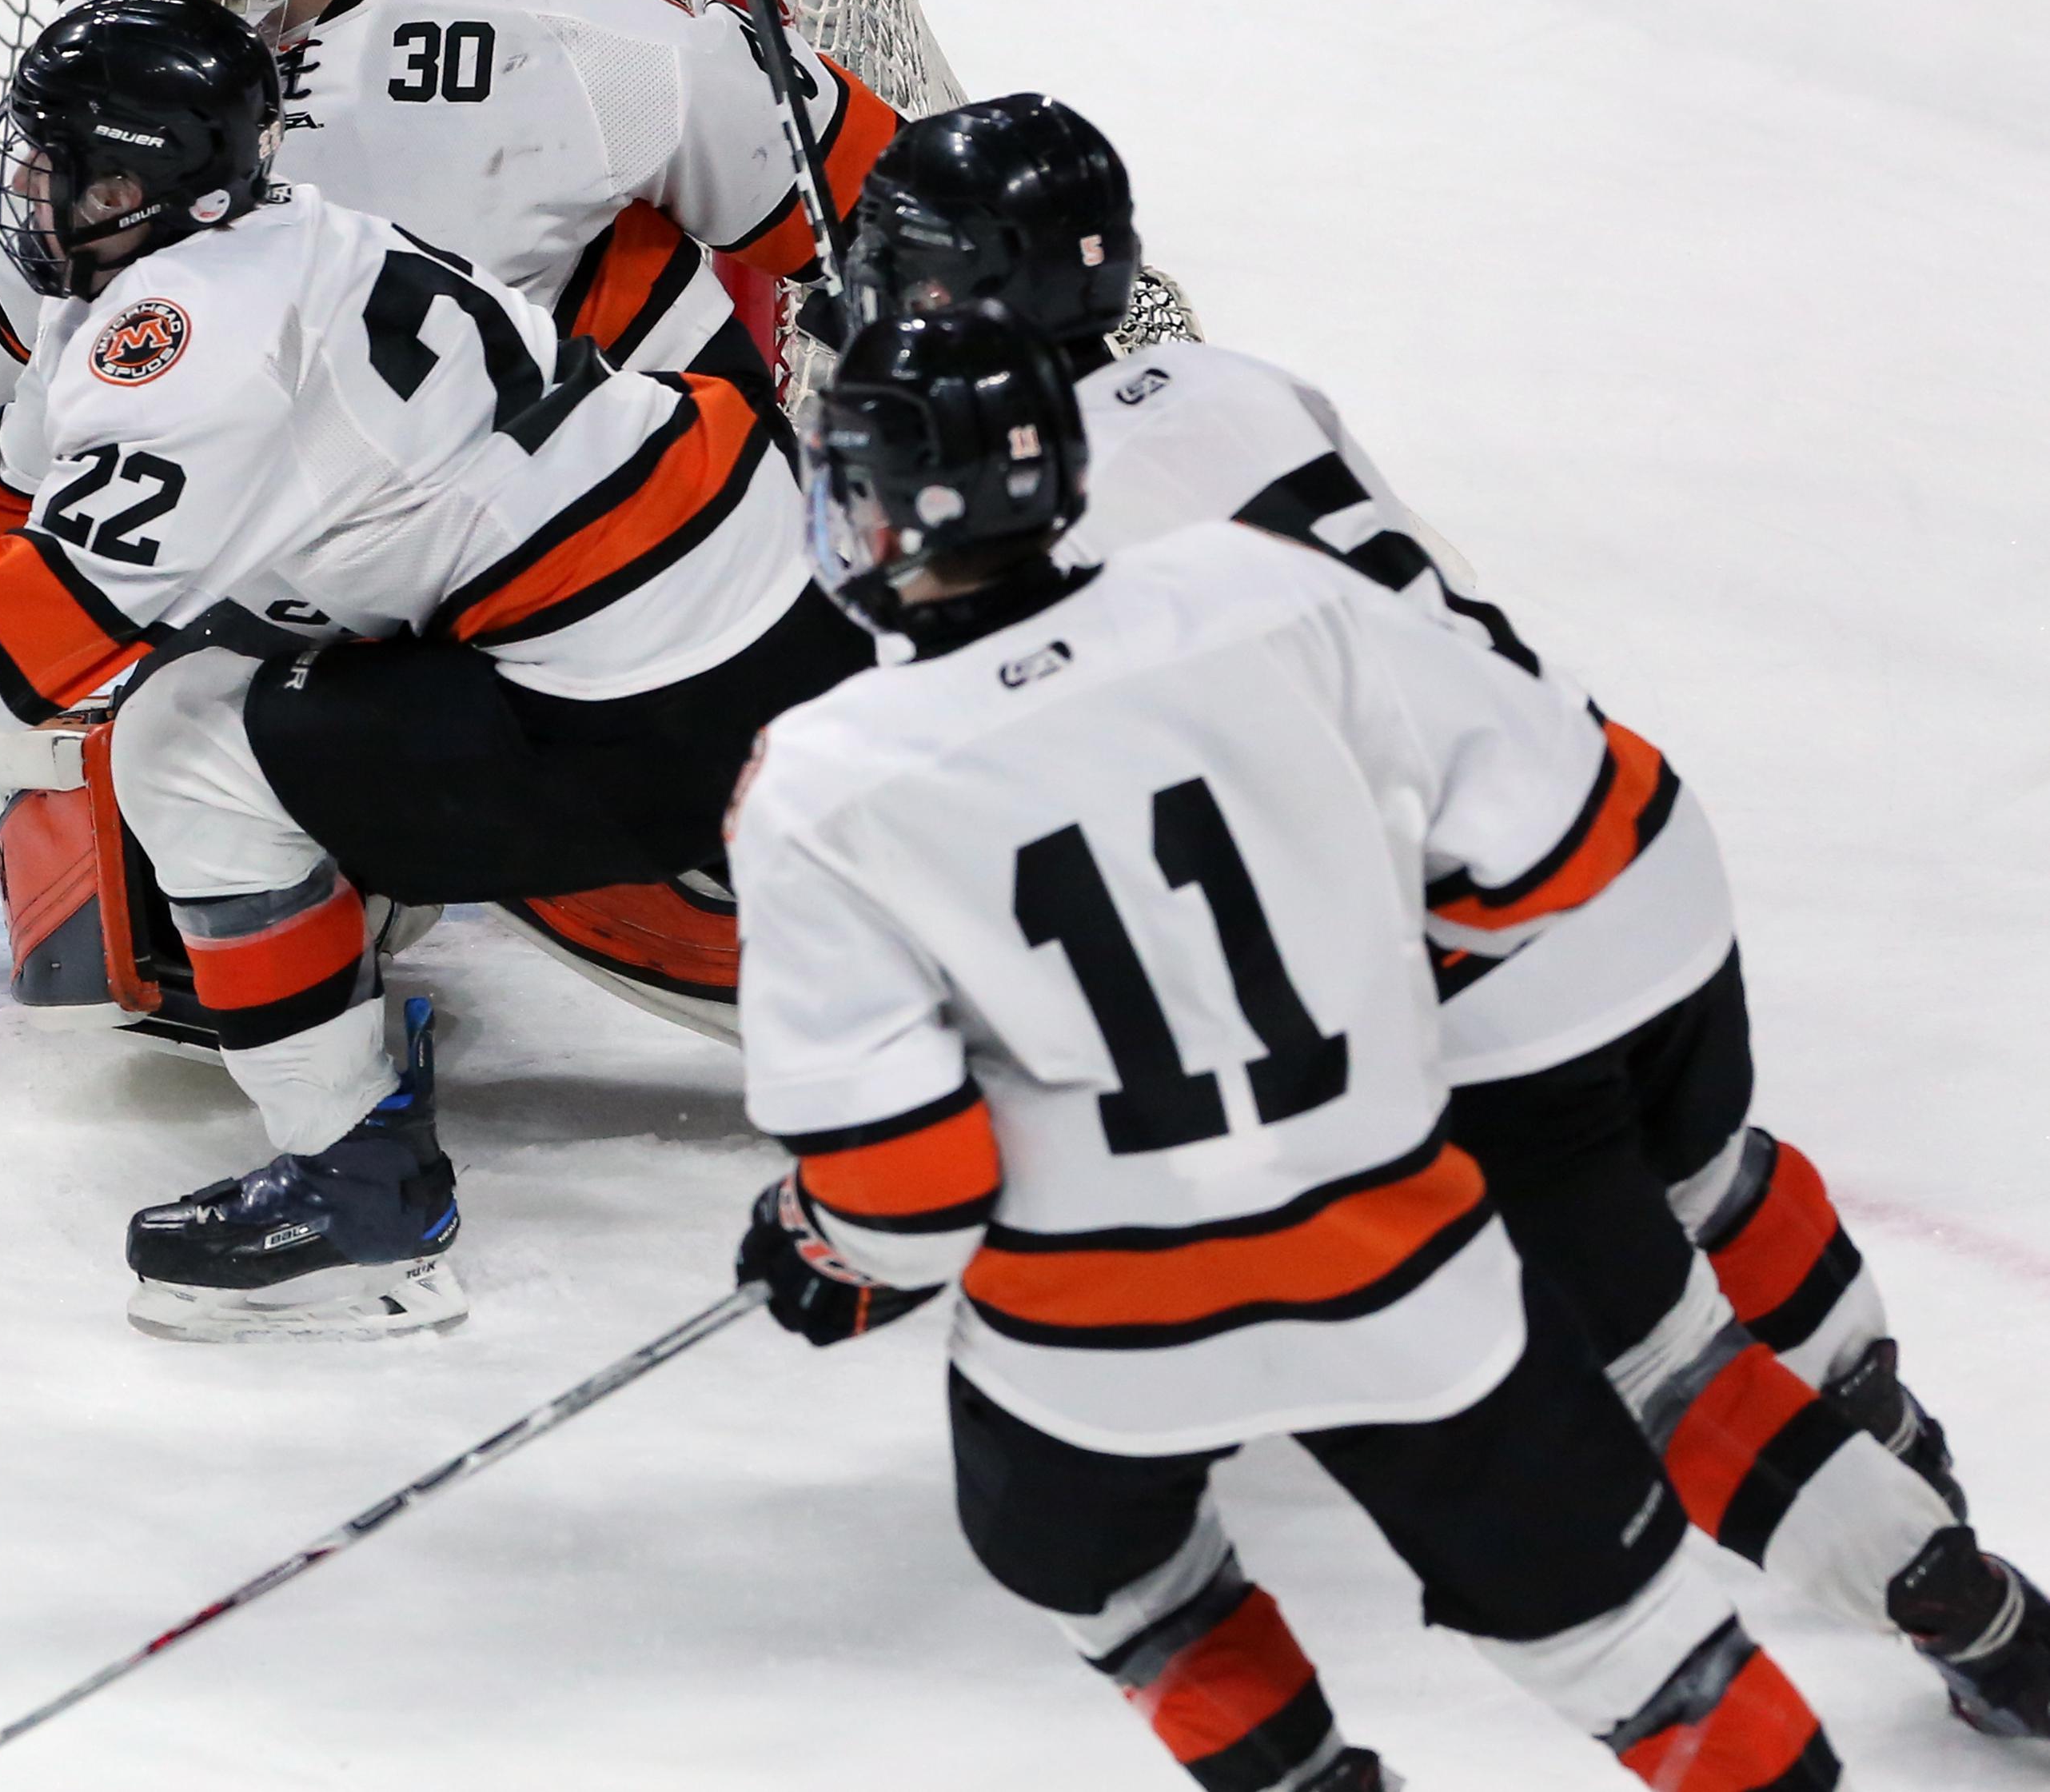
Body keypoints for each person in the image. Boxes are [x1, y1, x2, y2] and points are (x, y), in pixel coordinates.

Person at [831, 94, 2046, 1733]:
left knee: (1662, 1374)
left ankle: (1990, 1627)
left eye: (906, 260)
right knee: (1710, 1174)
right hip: (1630, 834)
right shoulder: (1236, 384)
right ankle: (1895, 1443)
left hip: (1479, 968)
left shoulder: (1013, 551)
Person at [0, 0, 869, 1340]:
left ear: (129, 186)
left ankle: (360, 1207)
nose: (21, 189)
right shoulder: (257, 247)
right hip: (769, 595)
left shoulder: (195, 341)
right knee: (250, 641)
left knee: (182, 738)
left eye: (54, 166)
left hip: (665, 711)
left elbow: (1, 661)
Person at [735, 309, 1848, 1790]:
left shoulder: (820, 778)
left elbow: (910, 1197)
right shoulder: (1254, 591)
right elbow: (1574, 829)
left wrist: (818, 1243)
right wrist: (1368, 942)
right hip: (1402, 1273)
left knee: (1118, 1585)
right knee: (1638, 1651)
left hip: (1094, 1355)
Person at [0, 0, 902, 1024]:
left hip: (633, 525)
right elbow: (24, 421)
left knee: (788, 905)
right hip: (372, 542)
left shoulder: (543, 2)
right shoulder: (119, 105)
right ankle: (359, 871)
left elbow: (856, 200)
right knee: (106, 834)